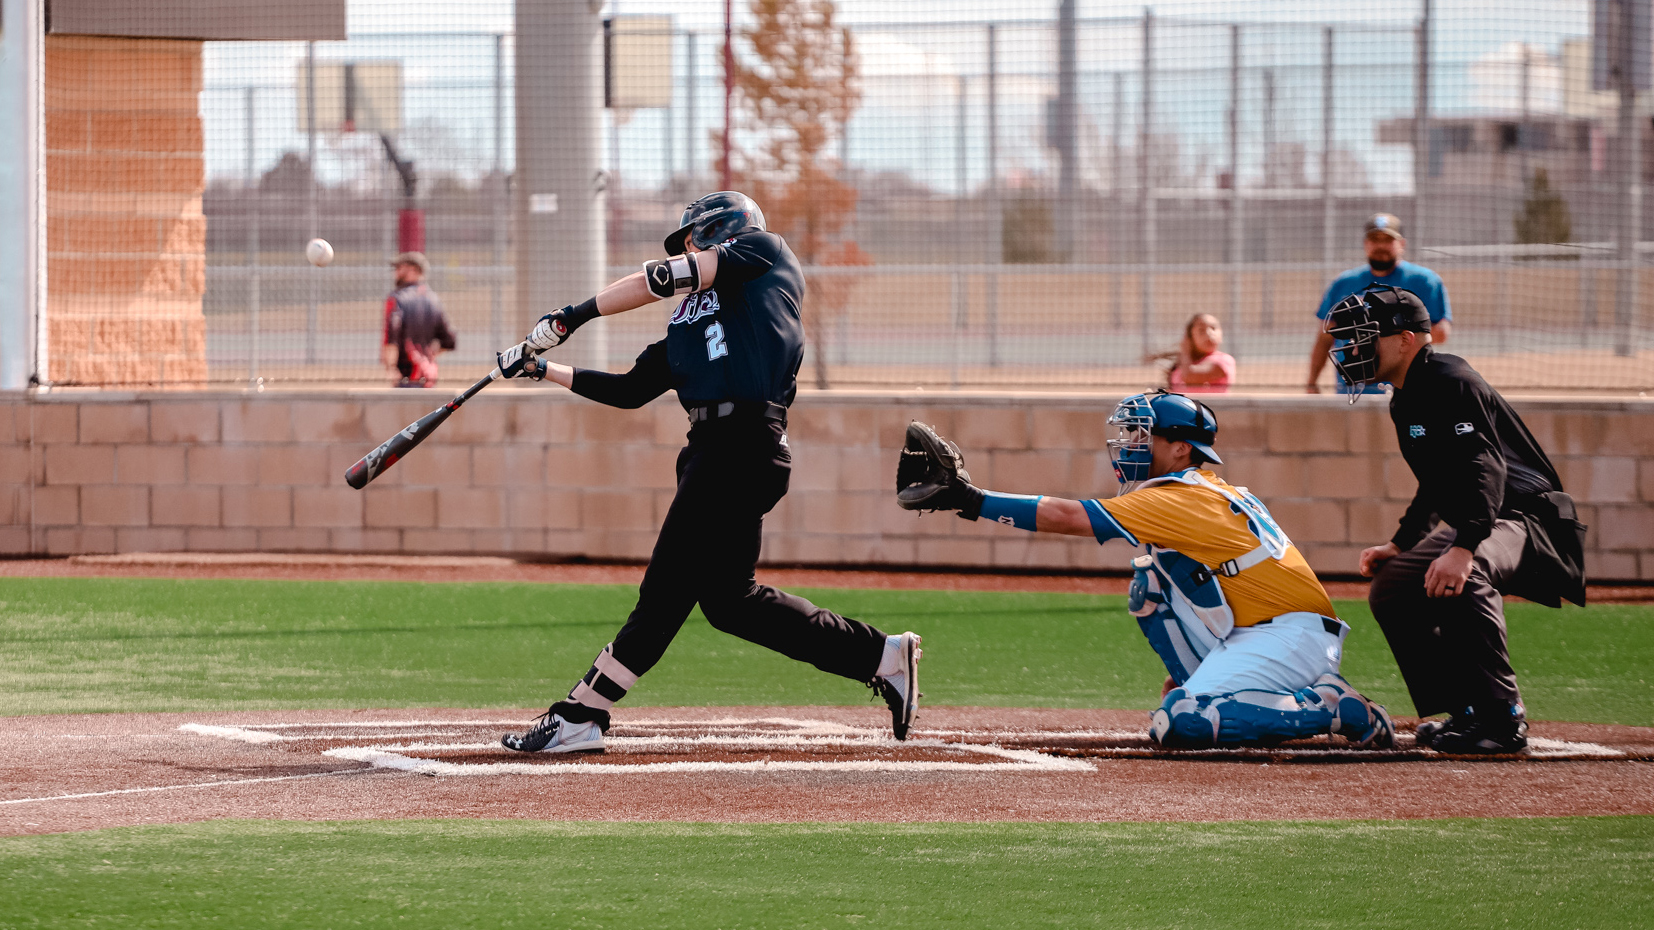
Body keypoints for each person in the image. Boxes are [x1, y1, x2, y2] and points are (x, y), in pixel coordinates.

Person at [491, 191, 922, 753]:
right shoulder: (687, 324)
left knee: (664, 591)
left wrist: (569, 316)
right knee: (729, 603)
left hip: (743, 446)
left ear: (721, 229)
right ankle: (881, 656)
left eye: (692, 238)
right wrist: (542, 367)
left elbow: (664, 276)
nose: (686, 249)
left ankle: (582, 712)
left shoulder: (764, 254)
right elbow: (628, 390)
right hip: (710, 453)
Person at [892, 392, 1393, 750]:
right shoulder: (1202, 488)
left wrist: (971, 500)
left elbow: (1071, 517)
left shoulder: (1182, 494)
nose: (1130, 442)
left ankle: (1332, 708)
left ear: (1180, 447)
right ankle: (1205, 681)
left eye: (1142, 433)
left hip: (1288, 638)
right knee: (1150, 582)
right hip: (1268, 630)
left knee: (1182, 724)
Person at [1325, 285, 1586, 754]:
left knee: (1468, 574)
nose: (1352, 348)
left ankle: (1504, 717)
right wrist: (1401, 545)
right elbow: (1437, 480)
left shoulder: (1451, 378)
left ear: (1405, 339)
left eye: (1365, 337)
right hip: (1486, 516)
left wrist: (1464, 548)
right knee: (1393, 585)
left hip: (1529, 519)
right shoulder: (1404, 397)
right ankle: (1465, 710)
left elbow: (1486, 467)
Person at [1308, 213, 1451, 394]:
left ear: (1402, 245)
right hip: (1353, 390)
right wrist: (1312, 382)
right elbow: (1324, 337)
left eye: (1388, 240)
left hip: (1409, 391)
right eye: (1375, 239)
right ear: (1366, 244)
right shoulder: (1343, 284)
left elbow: (1440, 334)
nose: (1381, 246)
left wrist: (1384, 329)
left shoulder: (1424, 281)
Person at [380, 252, 456, 387]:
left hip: (405, 376)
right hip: (428, 377)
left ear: (412, 269)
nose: (395, 273)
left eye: (399, 268)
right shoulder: (433, 299)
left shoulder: (397, 298)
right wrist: (427, 355)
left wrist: (391, 369)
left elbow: (391, 336)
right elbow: (449, 341)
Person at [1149, 313, 1235, 394]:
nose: (1209, 334)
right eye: (1201, 331)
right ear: (1191, 337)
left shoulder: (1224, 360)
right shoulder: (1183, 363)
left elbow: (1189, 377)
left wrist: (1185, 350)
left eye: (1213, 328)